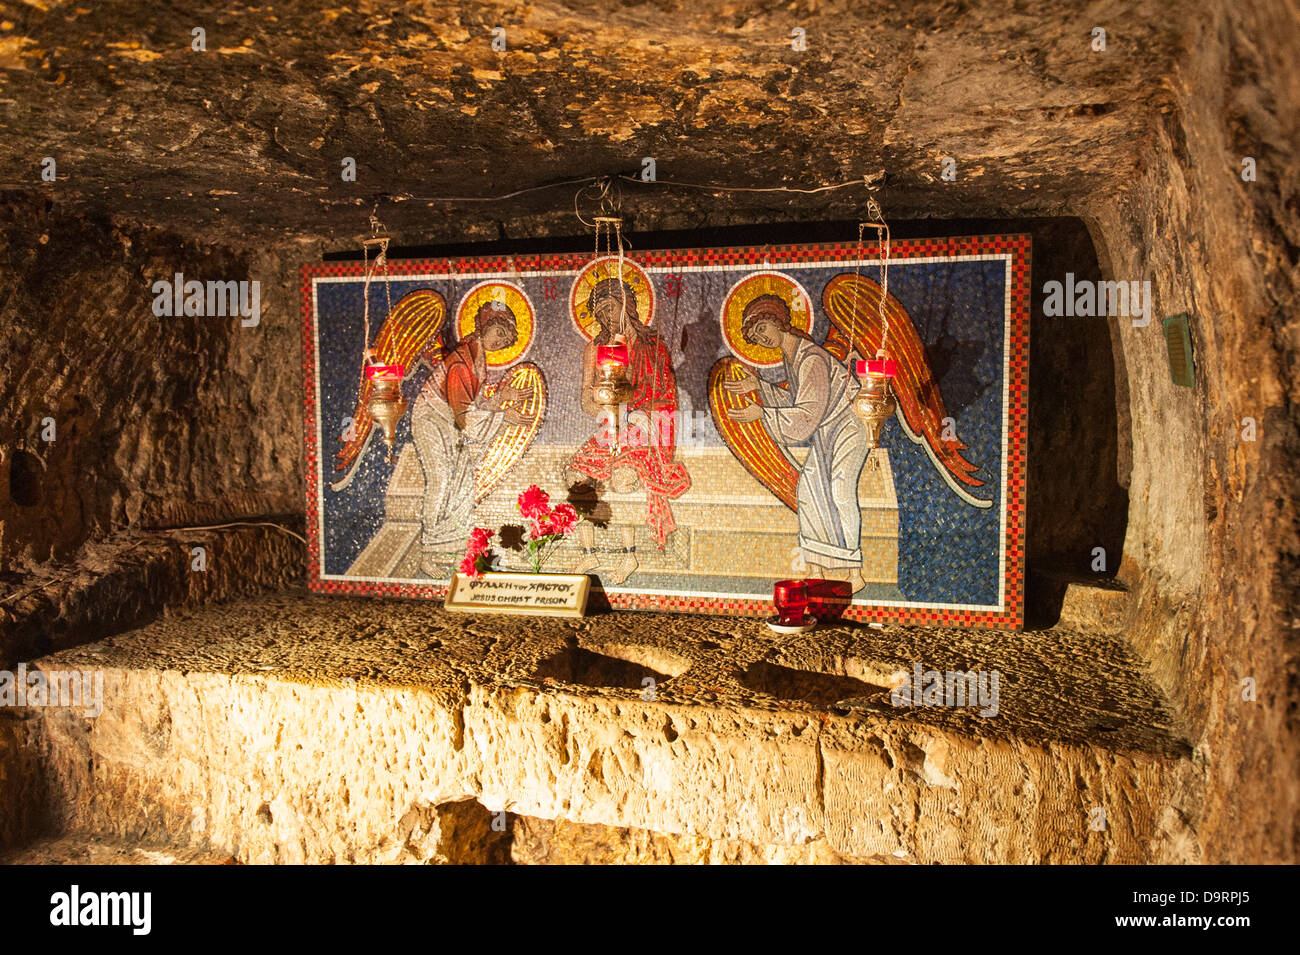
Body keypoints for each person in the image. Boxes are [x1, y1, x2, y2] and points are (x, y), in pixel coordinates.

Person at [724, 294, 868, 594]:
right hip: (827, 428)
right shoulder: (794, 356)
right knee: (809, 490)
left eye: (762, 329)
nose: (761, 339)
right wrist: (760, 387)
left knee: (841, 490)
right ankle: (816, 570)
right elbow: (798, 403)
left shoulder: (811, 357)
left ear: (777, 322)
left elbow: (805, 417)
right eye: (754, 337)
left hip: (848, 424)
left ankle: (855, 573)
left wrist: (761, 412)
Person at [565, 277, 690, 584]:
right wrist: (610, 412)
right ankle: (588, 553)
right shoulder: (597, 349)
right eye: (601, 312)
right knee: (575, 477)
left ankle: (628, 554)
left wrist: (640, 415)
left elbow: (667, 395)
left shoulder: (652, 347)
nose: (607, 316)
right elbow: (586, 399)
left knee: (623, 477)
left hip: (647, 432)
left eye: (611, 307)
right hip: (613, 426)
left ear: (628, 306)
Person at [411, 302, 532, 576]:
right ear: (486, 326)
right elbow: (464, 414)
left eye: (505, 339)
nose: (500, 341)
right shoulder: (463, 360)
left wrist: (503, 400)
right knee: (441, 481)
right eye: (499, 332)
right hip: (431, 420)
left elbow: (472, 404)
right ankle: (429, 553)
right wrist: (503, 417)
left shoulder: (477, 359)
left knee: (464, 484)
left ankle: (453, 550)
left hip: (450, 421)